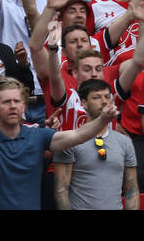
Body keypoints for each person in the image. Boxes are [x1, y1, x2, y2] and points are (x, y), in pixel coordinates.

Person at [0, 76, 115, 210]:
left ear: (24, 105)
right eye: (6, 102)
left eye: (17, 101)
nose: (12, 106)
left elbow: (78, 135)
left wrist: (103, 119)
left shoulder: (38, 134)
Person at [53, 78, 139, 210]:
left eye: (107, 97)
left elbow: (131, 190)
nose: (104, 101)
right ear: (84, 103)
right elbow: (61, 190)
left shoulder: (125, 142)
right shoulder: (69, 141)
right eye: (97, 97)